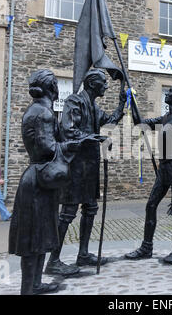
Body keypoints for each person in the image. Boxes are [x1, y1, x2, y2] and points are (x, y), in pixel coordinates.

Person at [8, 69, 92, 295]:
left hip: (41, 180)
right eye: (55, 85)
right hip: (38, 181)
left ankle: (36, 284)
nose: (57, 90)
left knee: (42, 235)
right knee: (32, 238)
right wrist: (72, 146)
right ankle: (28, 289)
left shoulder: (41, 110)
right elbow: (47, 149)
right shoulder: (42, 113)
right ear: (51, 88)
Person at [45, 69, 126, 275]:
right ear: (92, 84)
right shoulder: (74, 101)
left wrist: (122, 101)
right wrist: (95, 138)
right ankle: (53, 260)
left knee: (90, 209)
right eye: (103, 83)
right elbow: (69, 131)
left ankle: (83, 254)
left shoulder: (94, 106)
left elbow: (110, 121)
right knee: (68, 214)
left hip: (90, 167)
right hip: (75, 166)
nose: (106, 86)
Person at [125, 83, 172, 264]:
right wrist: (132, 101)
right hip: (164, 167)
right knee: (151, 205)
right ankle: (146, 247)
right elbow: (141, 124)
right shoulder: (165, 118)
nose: (168, 93)